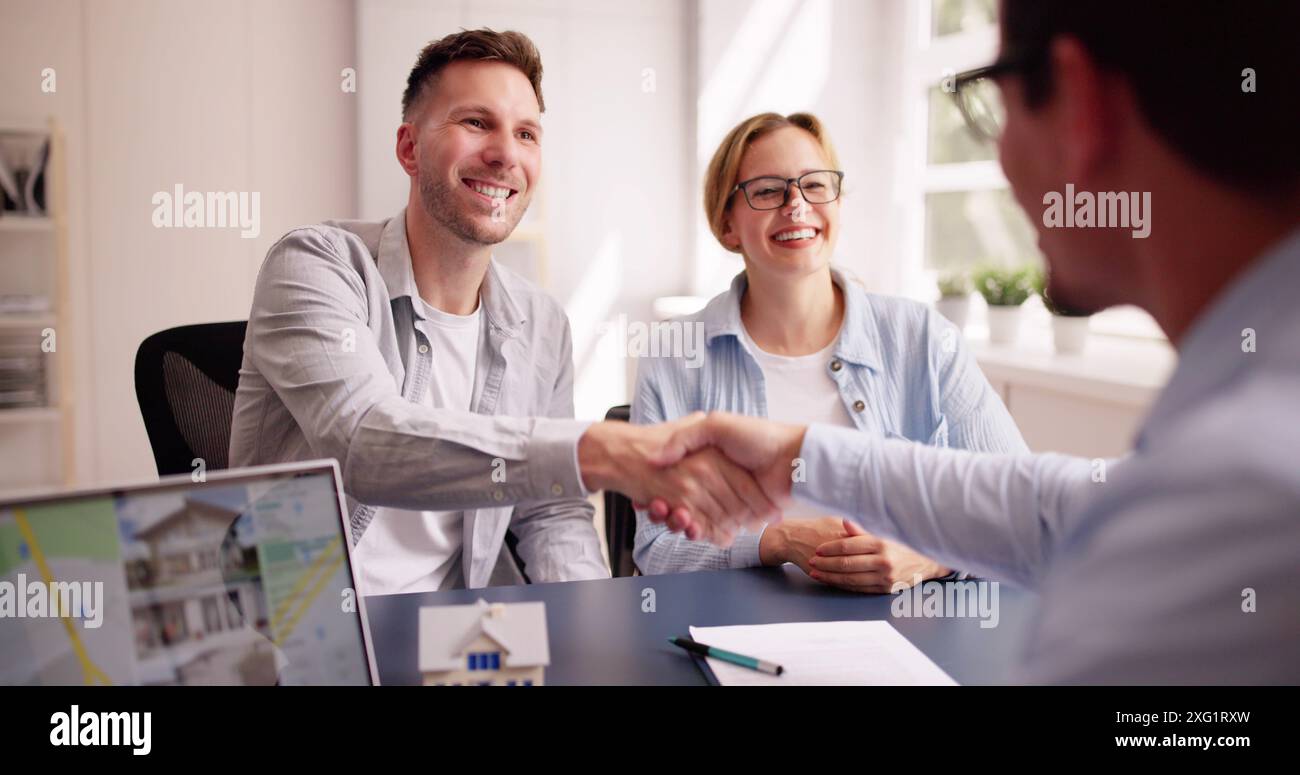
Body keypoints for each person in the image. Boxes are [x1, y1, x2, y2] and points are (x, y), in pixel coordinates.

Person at [646, 0, 1300, 683]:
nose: (1001, 157)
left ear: (1080, 104)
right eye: (770, 192)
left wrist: (912, 547)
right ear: (727, 221)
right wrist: (802, 462)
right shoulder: (1233, 439)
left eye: (997, 101)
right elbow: (1054, 503)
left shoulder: (1245, 483)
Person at [230, 29, 775, 594]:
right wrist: (599, 451)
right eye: (475, 122)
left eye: (526, 133)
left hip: (460, 645)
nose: (505, 154)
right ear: (409, 148)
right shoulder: (316, 265)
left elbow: (551, 516)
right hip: (299, 639)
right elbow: (365, 444)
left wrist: (593, 632)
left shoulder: (540, 323)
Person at [633, 111, 1027, 592]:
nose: (796, 205)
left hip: (909, 636)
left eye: (815, 185)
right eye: (767, 190)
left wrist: (929, 557)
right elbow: (657, 547)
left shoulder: (923, 338)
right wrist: (776, 540)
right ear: (727, 224)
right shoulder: (675, 358)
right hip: (742, 639)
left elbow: (1019, 509)